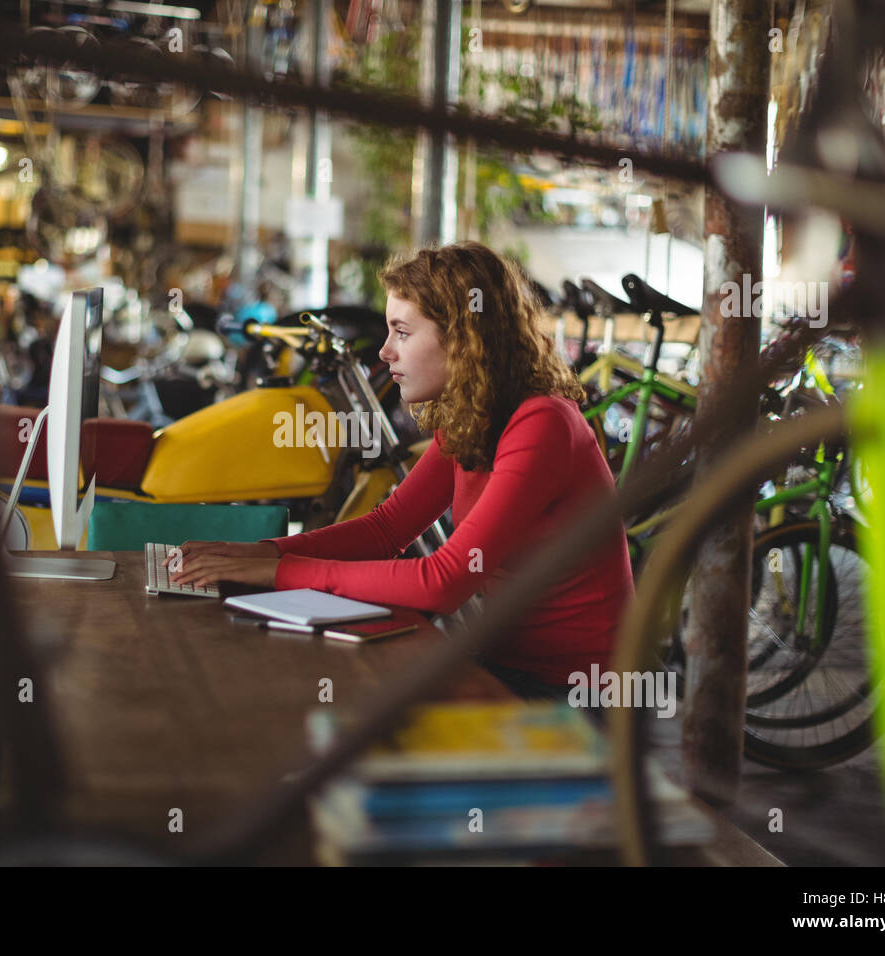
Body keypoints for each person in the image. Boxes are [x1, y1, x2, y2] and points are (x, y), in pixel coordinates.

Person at [170, 242, 635, 698]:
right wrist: (258, 553)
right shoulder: (473, 415)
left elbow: (445, 582)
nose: (385, 352)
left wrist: (278, 573)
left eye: (402, 333)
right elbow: (386, 528)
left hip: (574, 691)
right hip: (505, 663)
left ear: (463, 340)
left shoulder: (541, 422)